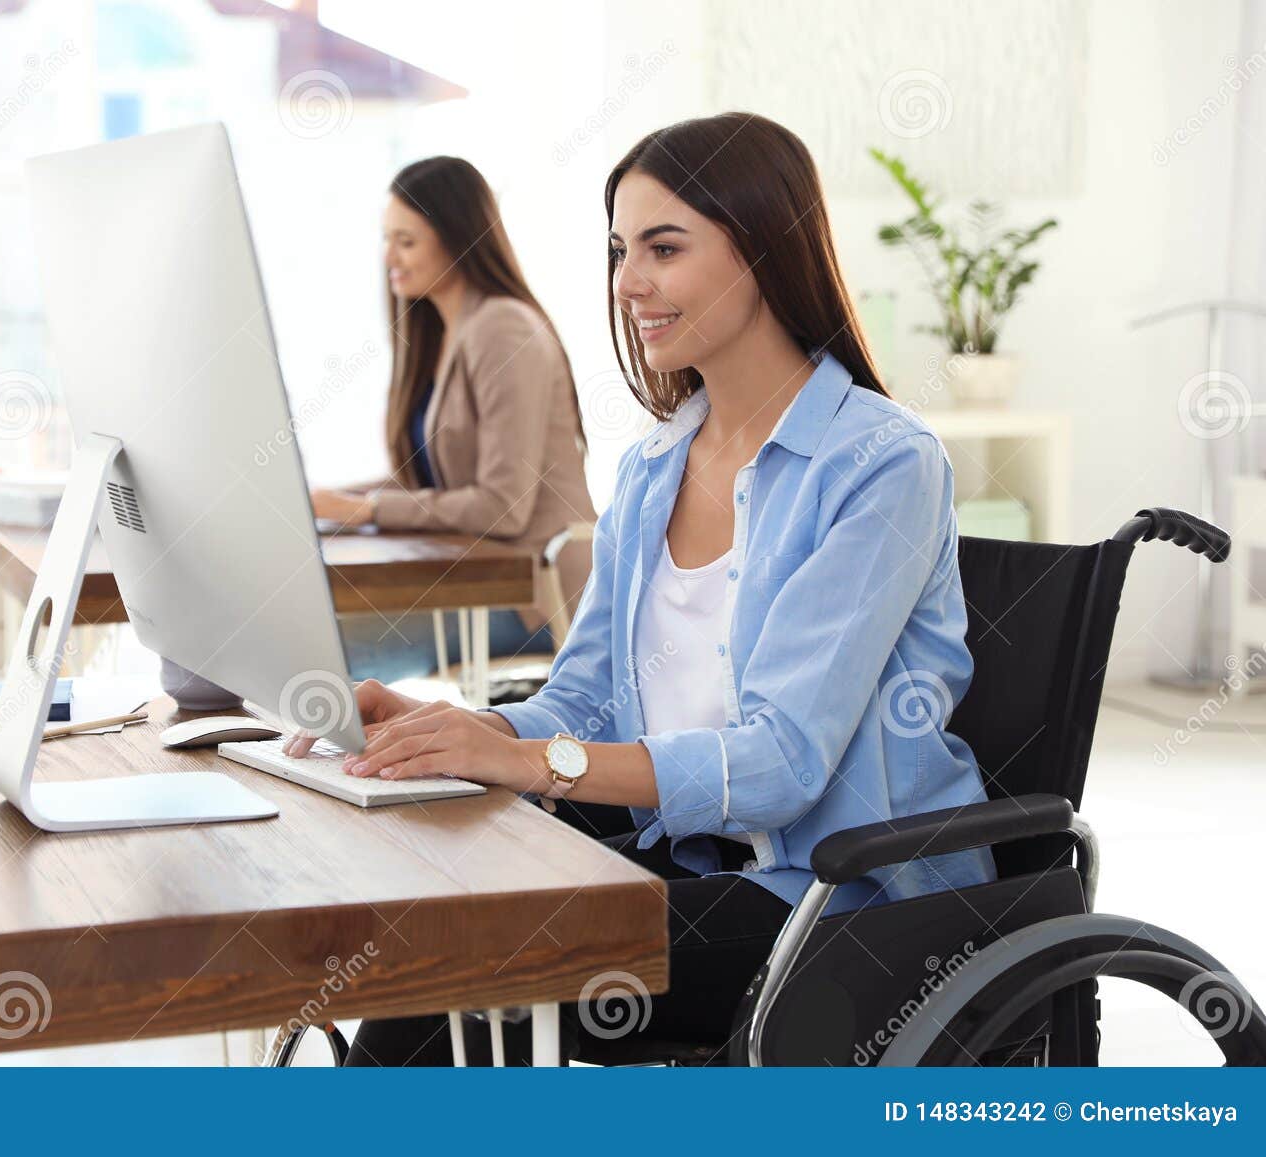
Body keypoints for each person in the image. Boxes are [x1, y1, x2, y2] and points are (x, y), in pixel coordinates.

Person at [284, 112, 998, 1066]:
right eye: (621, 250)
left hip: (849, 905)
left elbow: (783, 762)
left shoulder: (880, 463)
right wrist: (462, 731)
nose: (628, 283)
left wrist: (541, 765)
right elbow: (583, 702)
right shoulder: (656, 466)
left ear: (766, 250)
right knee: (431, 942)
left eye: (665, 247)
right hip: (704, 865)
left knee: (461, 961)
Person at [161, 156, 593, 706]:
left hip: (533, 597)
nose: (388, 257)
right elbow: (420, 483)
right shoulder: (445, 333)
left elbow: (503, 506)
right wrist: (328, 499)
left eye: (406, 241)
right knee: (271, 626)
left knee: (299, 649)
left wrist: (363, 510)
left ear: (458, 238)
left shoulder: (503, 329)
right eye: (387, 239)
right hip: (472, 583)